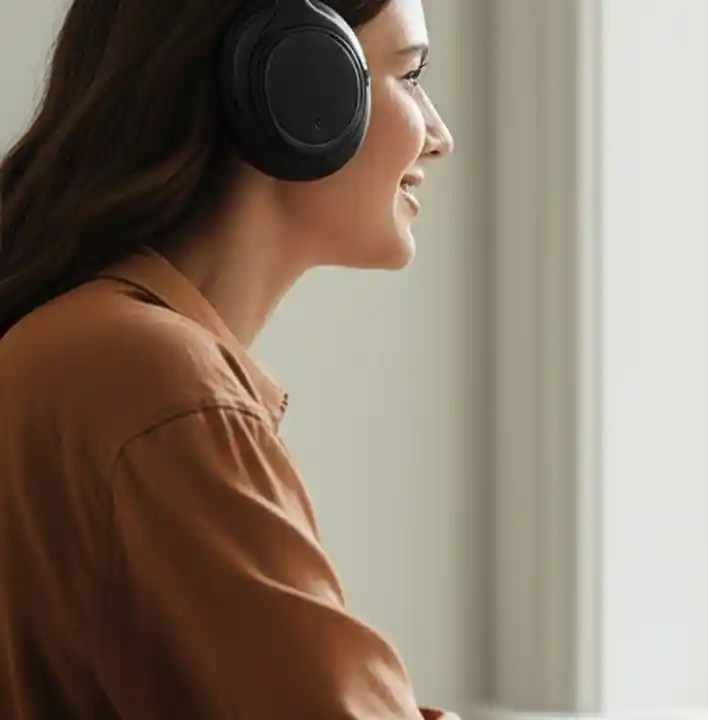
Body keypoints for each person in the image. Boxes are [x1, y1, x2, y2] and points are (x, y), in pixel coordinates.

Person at [0, 0, 456, 717]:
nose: (439, 136)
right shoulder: (153, 382)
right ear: (299, 83)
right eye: (409, 75)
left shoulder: (91, 351)